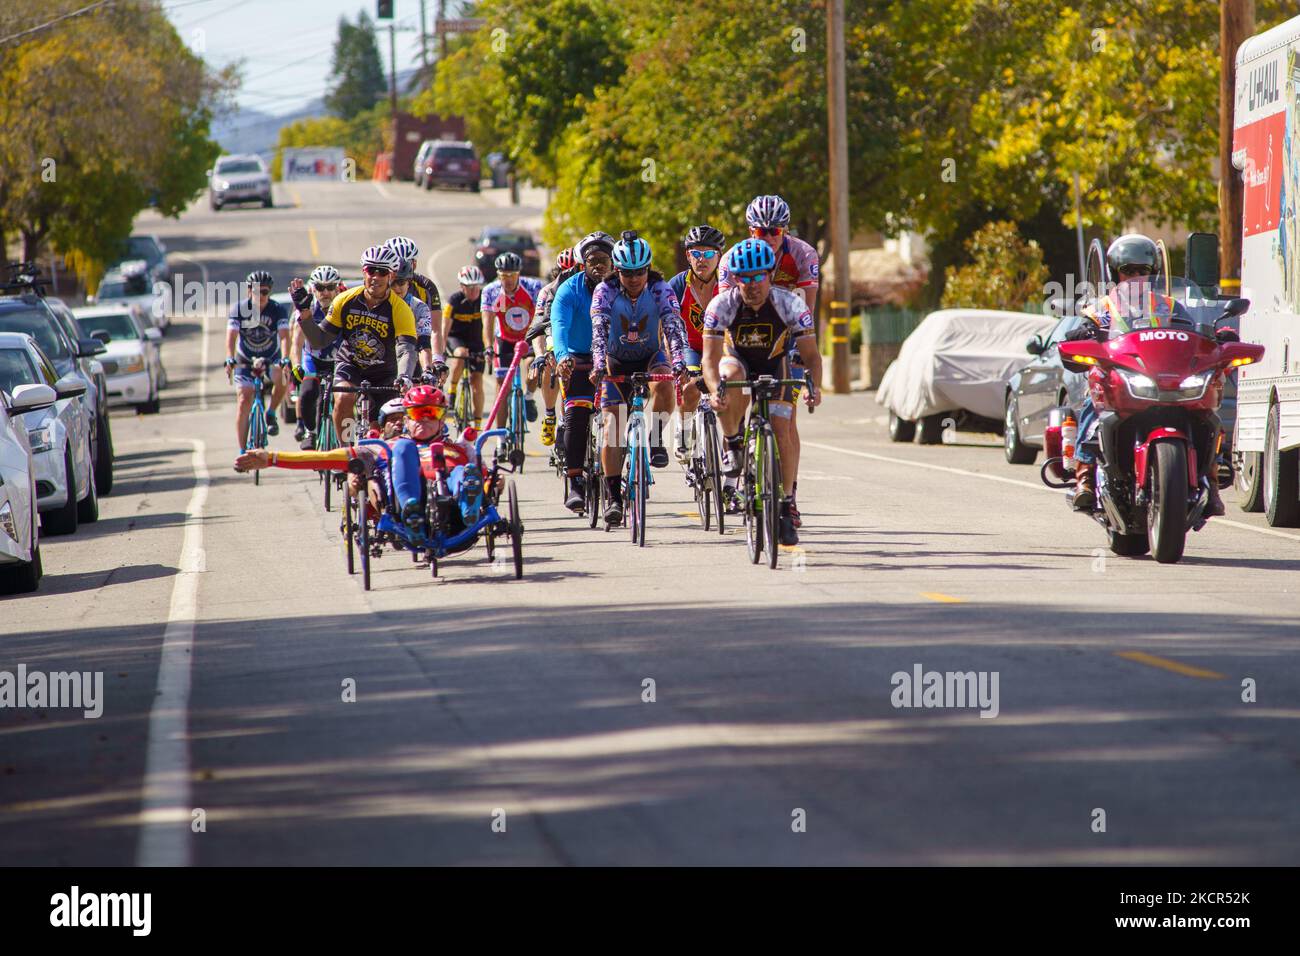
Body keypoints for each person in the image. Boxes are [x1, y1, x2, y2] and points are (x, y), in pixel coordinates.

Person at [1067, 233, 1228, 516]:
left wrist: (1217, 335)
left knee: (1206, 414)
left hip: (1164, 378)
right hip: (1118, 379)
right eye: (1128, 271)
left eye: (1143, 271)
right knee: (1094, 408)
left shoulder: (1168, 305)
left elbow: (1195, 332)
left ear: (1153, 273)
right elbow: (1080, 332)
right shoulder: (1101, 308)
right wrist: (1083, 333)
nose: (1136, 277)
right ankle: (1085, 478)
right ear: (1115, 273)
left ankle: (1211, 481)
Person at [234, 386, 483, 543]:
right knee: (404, 448)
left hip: (459, 521)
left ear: (442, 421)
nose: (425, 421)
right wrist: (273, 458)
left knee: (464, 469)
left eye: (432, 414)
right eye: (418, 414)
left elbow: (489, 479)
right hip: (408, 517)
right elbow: (327, 457)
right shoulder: (385, 447)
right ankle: (412, 511)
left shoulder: (458, 447)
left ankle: (467, 505)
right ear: (408, 421)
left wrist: (493, 481)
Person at [703, 238, 822, 546]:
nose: (752, 284)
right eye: (744, 277)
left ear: (770, 274)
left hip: (774, 363)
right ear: (735, 278)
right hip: (737, 360)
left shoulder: (790, 304)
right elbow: (709, 359)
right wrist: (716, 390)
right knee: (730, 379)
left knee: (783, 428)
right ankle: (733, 442)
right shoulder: (722, 305)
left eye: (759, 276)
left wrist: (814, 386)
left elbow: (811, 356)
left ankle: (784, 505)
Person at [590, 230, 688, 524]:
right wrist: (597, 365)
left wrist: (681, 362)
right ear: (617, 270)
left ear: (648, 269)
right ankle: (614, 497)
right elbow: (599, 332)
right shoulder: (604, 291)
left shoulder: (660, 289)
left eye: (640, 272)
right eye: (628, 273)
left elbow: (673, 327)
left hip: (650, 356)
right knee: (613, 426)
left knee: (665, 381)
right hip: (615, 359)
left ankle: (656, 437)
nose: (634, 279)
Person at [295, 245, 418, 444]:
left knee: (380, 426)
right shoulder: (345, 300)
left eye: (382, 272)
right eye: (371, 270)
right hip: (351, 363)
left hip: (384, 370)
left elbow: (407, 350)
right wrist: (305, 315)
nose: (375, 277)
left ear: (391, 276)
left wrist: (404, 376)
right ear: (364, 272)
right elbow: (319, 340)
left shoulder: (400, 309)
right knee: (343, 399)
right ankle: (346, 452)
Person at [553, 232, 615, 512]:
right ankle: (575, 481)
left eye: (605, 260)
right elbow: (560, 327)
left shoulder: (621, 287)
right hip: (578, 357)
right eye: (593, 261)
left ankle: (617, 478)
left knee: (619, 416)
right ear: (582, 265)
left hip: (613, 356)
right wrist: (563, 356)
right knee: (576, 413)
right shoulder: (569, 290)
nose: (599, 266)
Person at [667, 224, 726, 462]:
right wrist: (674, 360)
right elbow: (666, 325)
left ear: (719, 256)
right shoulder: (677, 285)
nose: (702, 259)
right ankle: (684, 430)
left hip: (720, 345)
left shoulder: (728, 283)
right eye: (696, 253)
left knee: (729, 389)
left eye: (709, 254)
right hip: (689, 345)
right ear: (688, 256)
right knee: (690, 386)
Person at [224, 269, 291, 450]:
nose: (260, 295)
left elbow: (285, 336)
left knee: (284, 378)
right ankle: (242, 450)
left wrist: (285, 359)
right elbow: (231, 336)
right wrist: (229, 358)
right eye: (255, 291)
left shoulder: (277, 310)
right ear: (248, 291)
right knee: (244, 399)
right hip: (245, 357)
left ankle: (271, 412)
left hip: (271, 356)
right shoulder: (239, 309)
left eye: (264, 292)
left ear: (269, 292)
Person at [481, 252, 545, 428]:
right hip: (505, 341)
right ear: (498, 274)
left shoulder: (534, 287)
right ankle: (501, 440)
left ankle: (529, 397)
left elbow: (543, 316)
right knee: (502, 389)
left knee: (533, 368)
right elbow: (487, 322)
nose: (507, 280)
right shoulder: (491, 291)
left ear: (519, 274)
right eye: (503, 276)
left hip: (528, 339)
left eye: (512, 275)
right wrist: (488, 347)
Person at [527, 246, 582, 447]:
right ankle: (550, 415)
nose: (567, 277)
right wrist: (540, 355)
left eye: (573, 271)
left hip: (579, 338)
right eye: (563, 272)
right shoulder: (547, 291)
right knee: (551, 363)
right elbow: (538, 327)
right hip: (553, 335)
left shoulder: (587, 288)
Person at [288, 265, 342, 450]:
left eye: (330, 287)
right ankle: (311, 432)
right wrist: (296, 365)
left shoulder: (344, 305)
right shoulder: (306, 307)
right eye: (320, 288)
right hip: (312, 358)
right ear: (313, 289)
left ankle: (347, 439)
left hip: (339, 359)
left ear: (337, 287)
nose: (325, 292)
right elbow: (296, 342)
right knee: (308, 393)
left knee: (346, 398)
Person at [443, 265, 487, 429]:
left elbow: (493, 325)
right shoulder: (454, 301)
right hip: (456, 338)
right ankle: (453, 391)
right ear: (462, 286)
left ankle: (477, 425)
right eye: (469, 287)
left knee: (477, 383)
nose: (474, 291)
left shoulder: (484, 299)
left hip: (476, 341)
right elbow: (445, 328)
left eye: (477, 286)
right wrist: (441, 350)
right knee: (461, 353)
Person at [390, 255, 446, 379]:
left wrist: (427, 369)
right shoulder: (378, 304)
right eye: (392, 283)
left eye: (401, 282)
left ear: (409, 283)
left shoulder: (420, 308)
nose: (397, 288)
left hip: (409, 360)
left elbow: (424, 343)